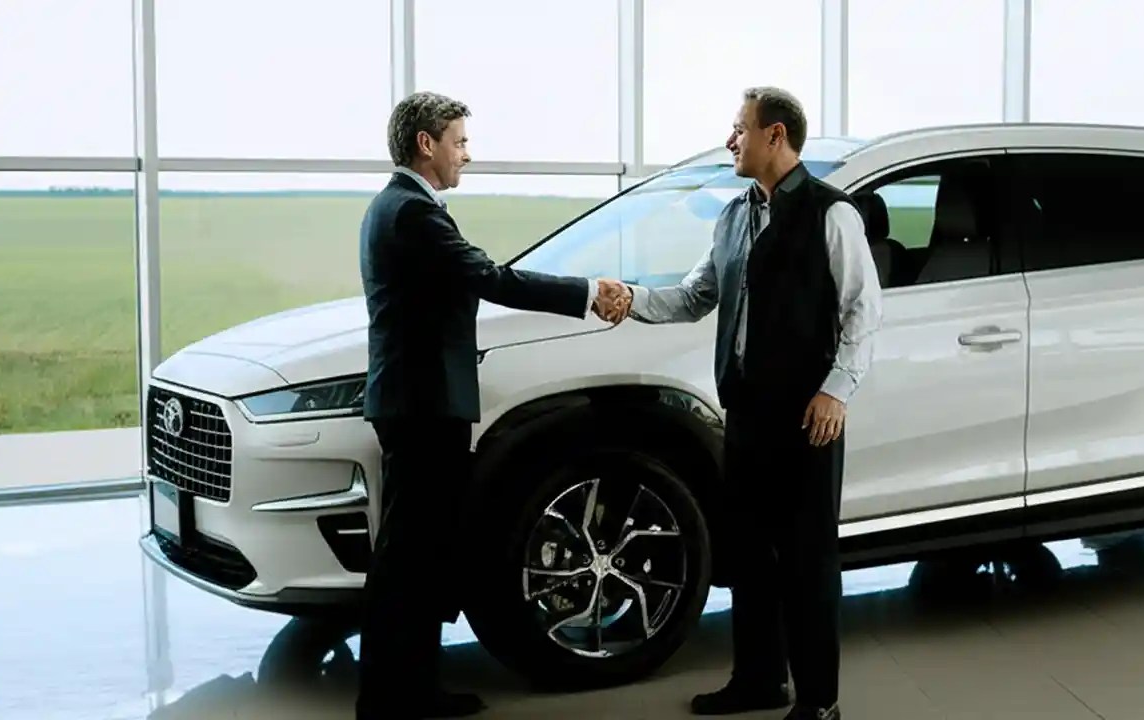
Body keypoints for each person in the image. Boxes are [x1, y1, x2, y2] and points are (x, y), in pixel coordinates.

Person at [602, 87, 882, 720]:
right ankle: (758, 681)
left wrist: (837, 390)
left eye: (738, 129)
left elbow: (865, 309)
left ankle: (819, 702)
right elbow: (696, 296)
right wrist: (630, 299)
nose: (730, 141)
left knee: (808, 563)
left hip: (808, 420)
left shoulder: (831, 214)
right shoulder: (733, 217)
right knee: (750, 555)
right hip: (746, 417)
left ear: (775, 135)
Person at [356, 90, 629, 719]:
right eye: (459, 142)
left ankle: (415, 691)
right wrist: (589, 292)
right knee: (408, 560)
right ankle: (388, 701)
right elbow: (491, 278)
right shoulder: (412, 214)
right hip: (423, 408)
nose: (467, 157)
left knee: (420, 556)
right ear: (426, 144)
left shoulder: (396, 207)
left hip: (418, 402)